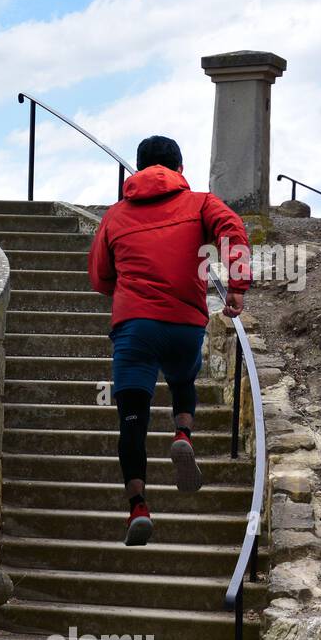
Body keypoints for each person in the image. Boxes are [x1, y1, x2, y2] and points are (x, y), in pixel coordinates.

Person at [88, 136, 250, 546]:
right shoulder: (201, 203)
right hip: (184, 322)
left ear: (136, 170)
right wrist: (237, 285)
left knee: (132, 419)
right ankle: (182, 435)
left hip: (135, 327)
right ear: (179, 167)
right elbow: (233, 229)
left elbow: (99, 277)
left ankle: (138, 506)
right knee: (183, 379)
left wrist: (129, 290)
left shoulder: (115, 216)